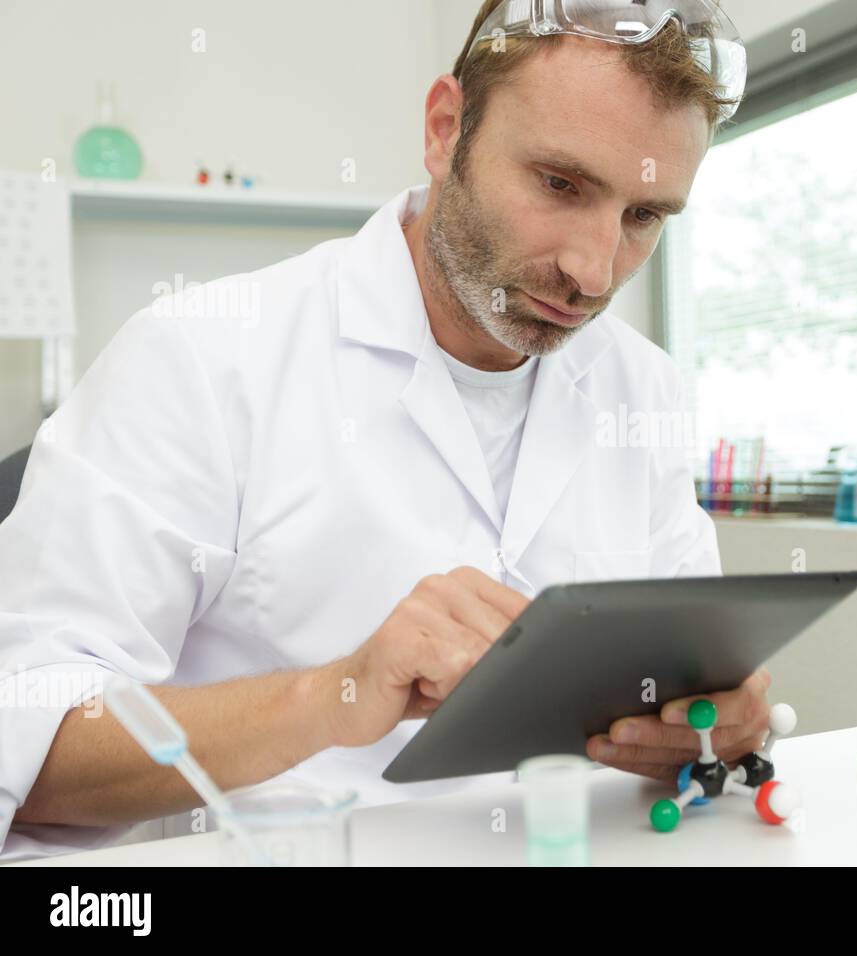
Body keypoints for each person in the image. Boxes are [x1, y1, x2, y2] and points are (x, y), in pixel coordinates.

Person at [0, 0, 773, 860]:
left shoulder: (645, 392)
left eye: (644, 217)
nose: (593, 270)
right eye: (560, 184)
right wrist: (335, 694)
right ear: (446, 130)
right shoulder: (200, 359)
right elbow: (25, 747)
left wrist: (710, 725)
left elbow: (681, 686)